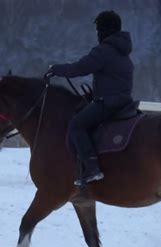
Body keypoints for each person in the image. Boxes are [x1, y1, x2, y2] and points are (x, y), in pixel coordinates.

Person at [44, 10, 134, 186]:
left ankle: (92, 167)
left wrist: (55, 69)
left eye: (98, 30)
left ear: (105, 30)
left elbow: (79, 68)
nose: (97, 34)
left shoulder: (103, 51)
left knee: (77, 125)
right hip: (124, 102)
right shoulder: (123, 51)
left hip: (108, 103)